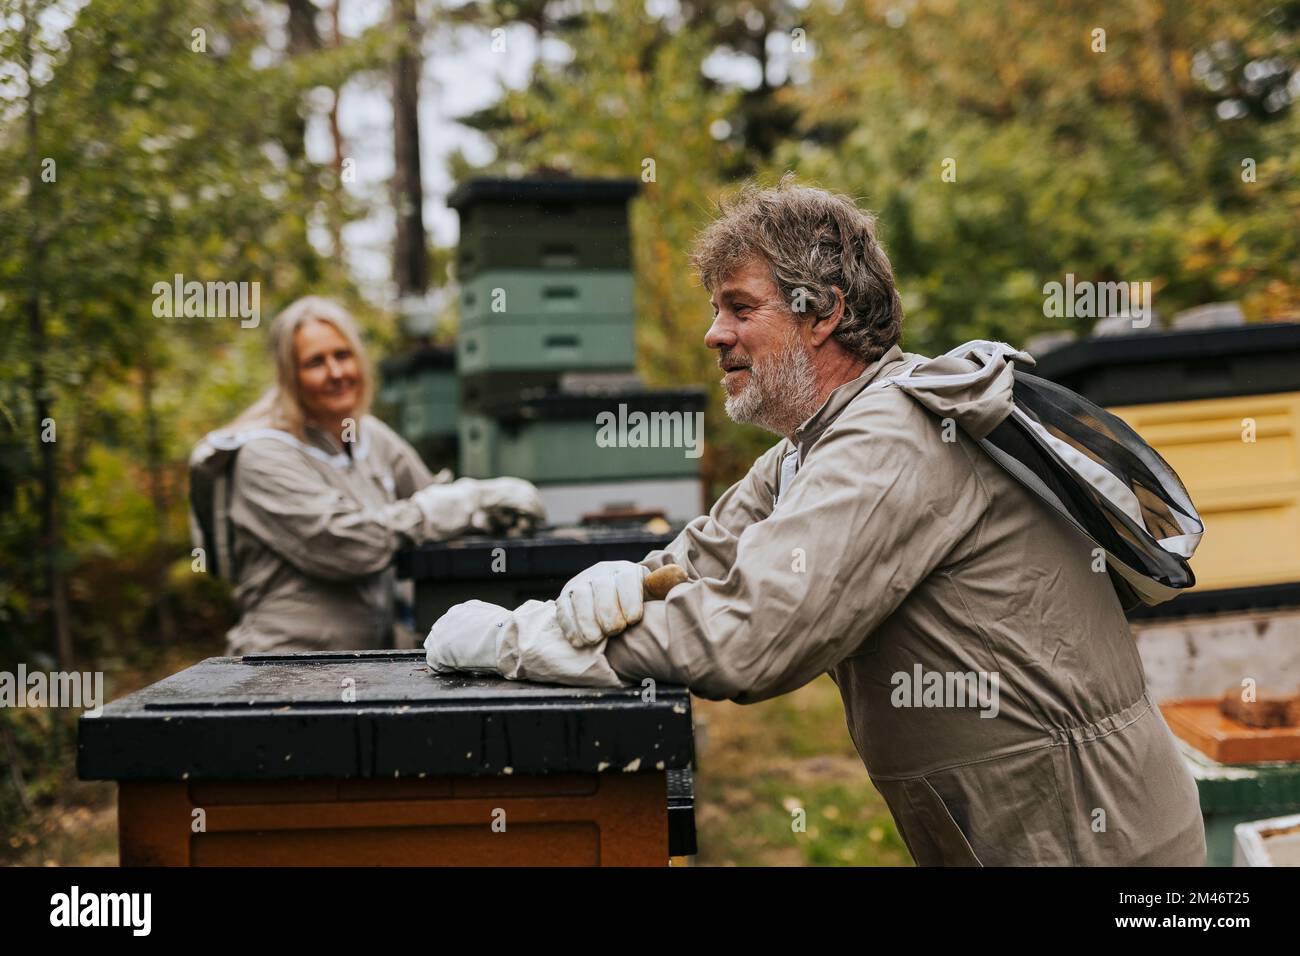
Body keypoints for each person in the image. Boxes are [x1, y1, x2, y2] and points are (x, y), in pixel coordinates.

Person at [427, 177, 1207, 866]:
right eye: (715, 310)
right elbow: (705, 555)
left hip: (1092, 836)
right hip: (1011, 828)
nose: (713, 334)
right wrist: (630, 578)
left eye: (739, 308)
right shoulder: (816, 443)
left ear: (822, 312)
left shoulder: (895, 434)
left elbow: (753, 635)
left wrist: (517, 642)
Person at [189, 296, 545, 655]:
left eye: (343, 355)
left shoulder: (368, 435)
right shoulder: (261, 455)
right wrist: (463, 501)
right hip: (281, 668)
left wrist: (488, 509)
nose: (336, 373)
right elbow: (351, 545)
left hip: (367, 662)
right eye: (315, 362)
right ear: (289, 376)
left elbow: (431, 500)